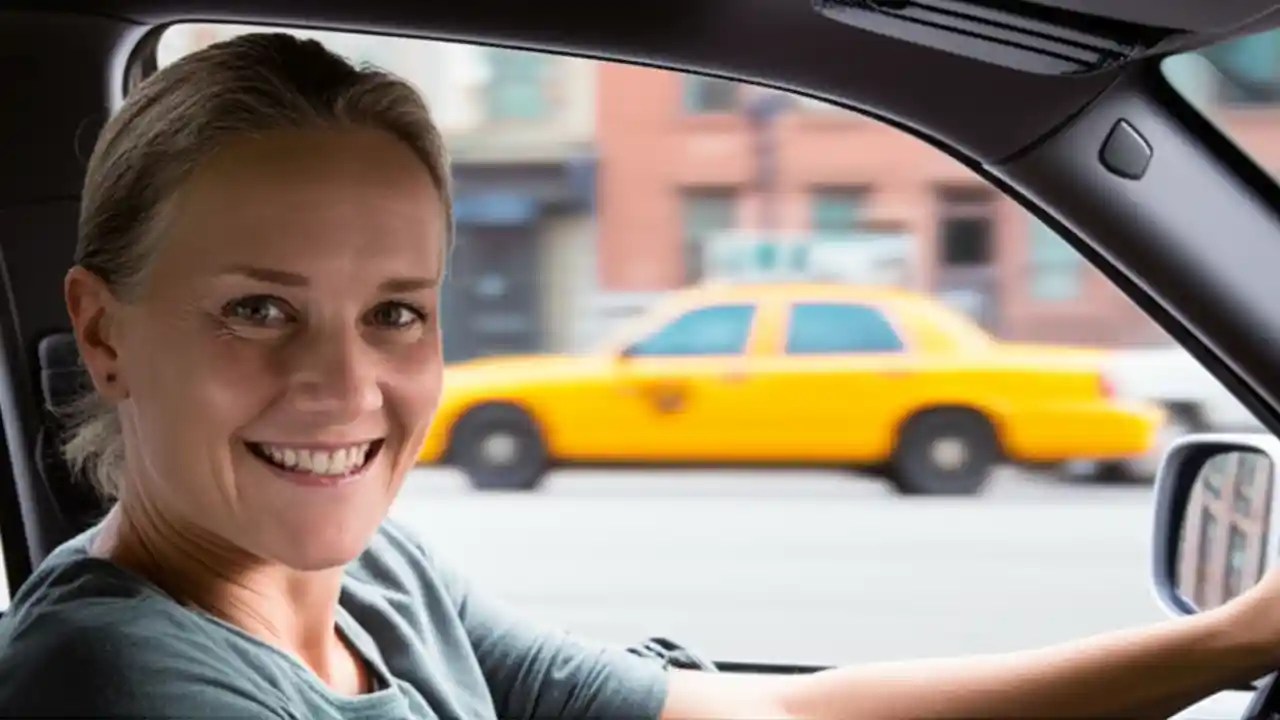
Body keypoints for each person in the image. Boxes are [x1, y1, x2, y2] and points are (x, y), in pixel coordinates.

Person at [0, 30, 1277, 720]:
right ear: (105, 334)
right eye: (258, 310)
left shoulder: (376, 583)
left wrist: (1231, 639)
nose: (343, 386)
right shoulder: (113, 685)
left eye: (395, 312)